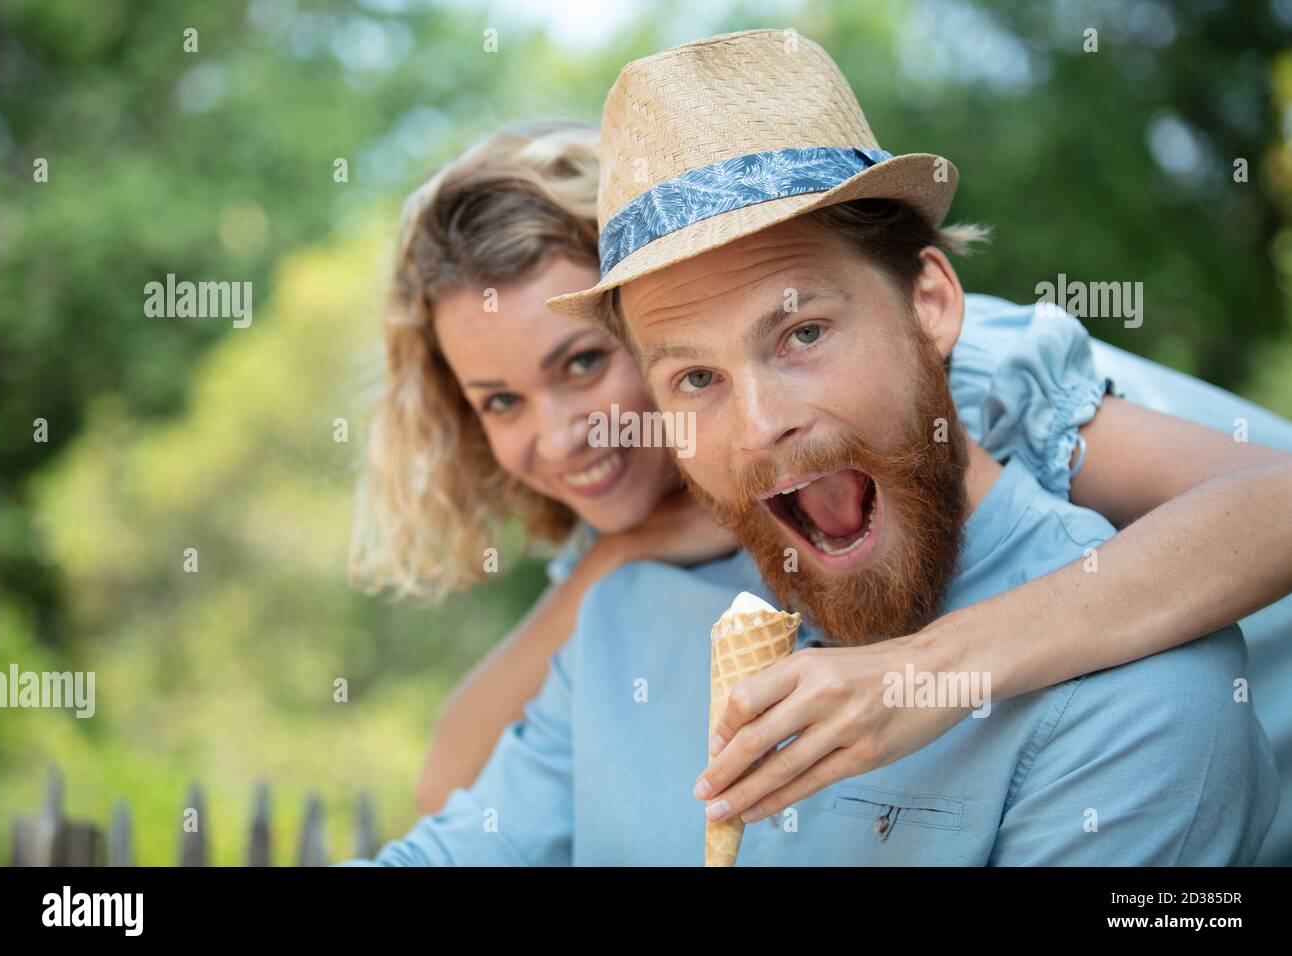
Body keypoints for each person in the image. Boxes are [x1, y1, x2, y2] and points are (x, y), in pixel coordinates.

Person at [348, 36, 1290, 862]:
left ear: (932, 305)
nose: (563, 433)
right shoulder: (627, 593)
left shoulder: (995, 379)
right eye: (693, 376)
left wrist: (919, 675)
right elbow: (461, 810)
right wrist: (622, 559)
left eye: (802, 334)